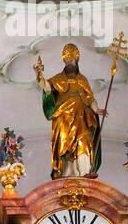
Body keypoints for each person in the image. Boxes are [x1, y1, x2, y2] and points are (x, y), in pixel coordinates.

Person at [35, 43, 102, 178]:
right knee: (63, 145)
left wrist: (97, 109)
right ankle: (66, 173)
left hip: (81, 118)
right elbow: (48, 88)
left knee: (83, 142)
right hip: (63, 117)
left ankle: (84, 171)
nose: (69, 63)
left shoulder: (82, 80)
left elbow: (90, 98)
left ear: (76, 60)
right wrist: (40, 77)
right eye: (67, 60)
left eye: (71, 60)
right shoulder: (58, 79)